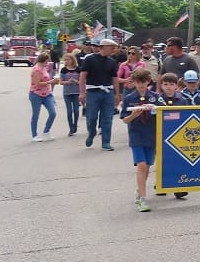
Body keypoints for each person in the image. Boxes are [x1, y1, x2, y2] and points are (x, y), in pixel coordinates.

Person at [120, 69, 159, 212]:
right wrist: (134, 115)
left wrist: (155, 109)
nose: (141, 85)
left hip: (151, 135)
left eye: (143, 82)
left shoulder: (155, 97)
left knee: (147, 166)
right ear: (134, 82)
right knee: (141, 165)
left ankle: (139, 189)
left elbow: (165, 112)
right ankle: (143, 199)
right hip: (136, 135)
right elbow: (125, 119)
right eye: (138, 82)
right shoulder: (129, 98)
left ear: (148, 81)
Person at [153, 73, 190, 199]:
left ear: (176, 86)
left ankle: (178, 187)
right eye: (165, 84)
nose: (168, 87)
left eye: (171, 84)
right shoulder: (157, 99)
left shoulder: (182, 100)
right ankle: (160, 184)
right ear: (161, 86)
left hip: (178, 134)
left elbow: (187, 116)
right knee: (162, 161)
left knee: (178, 161)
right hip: (161, 134)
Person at [80, 37, 121, 151]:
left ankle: (106, 142)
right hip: (93, 92)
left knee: (107, 118)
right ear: (103, 47)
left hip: (108, 92)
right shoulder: (90, 59)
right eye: (111, 48)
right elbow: (82, 77)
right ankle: (92, 132)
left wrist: (117, 94)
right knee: (91, 117)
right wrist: (82, 92)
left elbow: (115, 79)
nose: (113, 50)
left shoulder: (112, 61)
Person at [28, 51, 59, 142]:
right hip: (36, 94)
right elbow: (37, 84)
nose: (48, 62)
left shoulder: (45, 68)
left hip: (47, 94)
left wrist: (53, 81)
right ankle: (34, 135)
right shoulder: (36, 69)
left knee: (53, 113)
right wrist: (50, 82)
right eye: (46, 60)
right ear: (43, 60)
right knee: (36, 115)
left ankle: (46, 130)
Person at [59, 52, 82, 136]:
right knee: (69, 111)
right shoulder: (64, 70)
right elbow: (60, 82)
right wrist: (67, 82)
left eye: (68, 59)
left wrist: (76, 81)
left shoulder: (78, 69)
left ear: (72, 60)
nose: (66, 61)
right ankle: (71, 128)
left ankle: (75, 125)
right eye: (65, 60)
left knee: (76, 110)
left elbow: (82, 81)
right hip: (67, 93)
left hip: (76, 92)